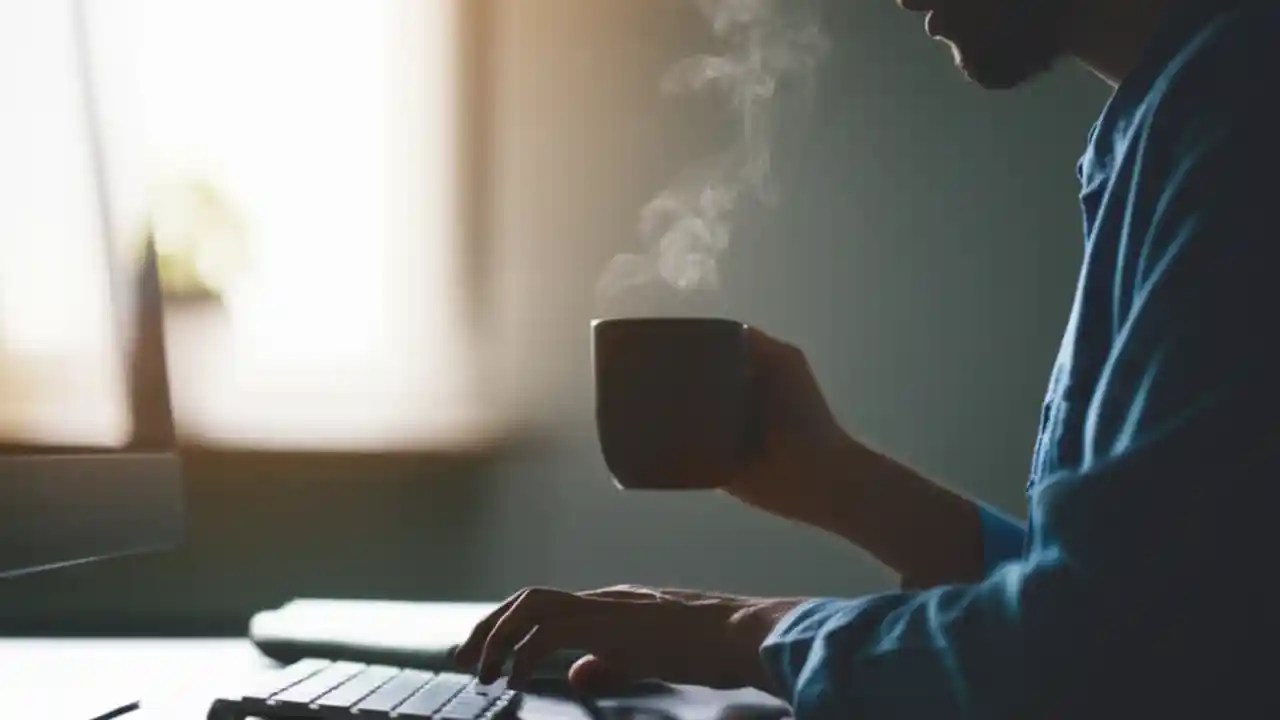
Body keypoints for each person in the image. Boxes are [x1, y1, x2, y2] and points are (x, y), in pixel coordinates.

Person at [457, 0, 1280, 715]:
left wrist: (739, 633)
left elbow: (1092, 665)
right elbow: (1138, 597)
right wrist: (840, 482)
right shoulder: (1176, 115)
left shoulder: (1240, 115)